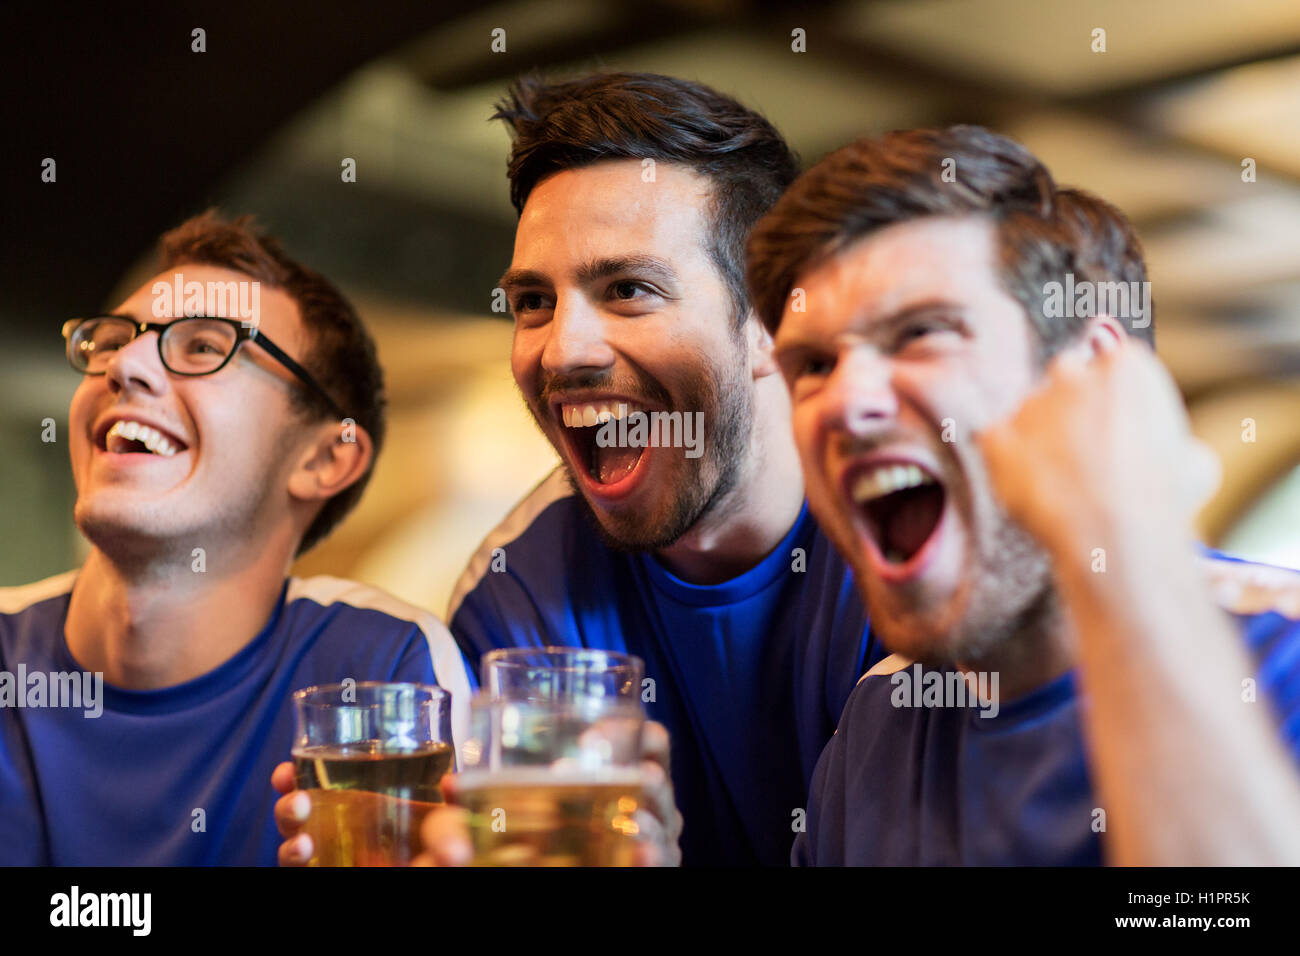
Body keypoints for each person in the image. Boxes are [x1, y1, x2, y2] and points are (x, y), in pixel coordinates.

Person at [745, 124, 1300, 865]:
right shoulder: (879, 725)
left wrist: (1125, 532)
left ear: (1096, 376)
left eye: (920, 332)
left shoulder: (1283, 664)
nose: (845, 400)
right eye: (813, 364)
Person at [0, 211, 470, 865]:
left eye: (203, 346)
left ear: (322, 460)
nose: (125, 365)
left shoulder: (381, 673)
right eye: (111, 341)